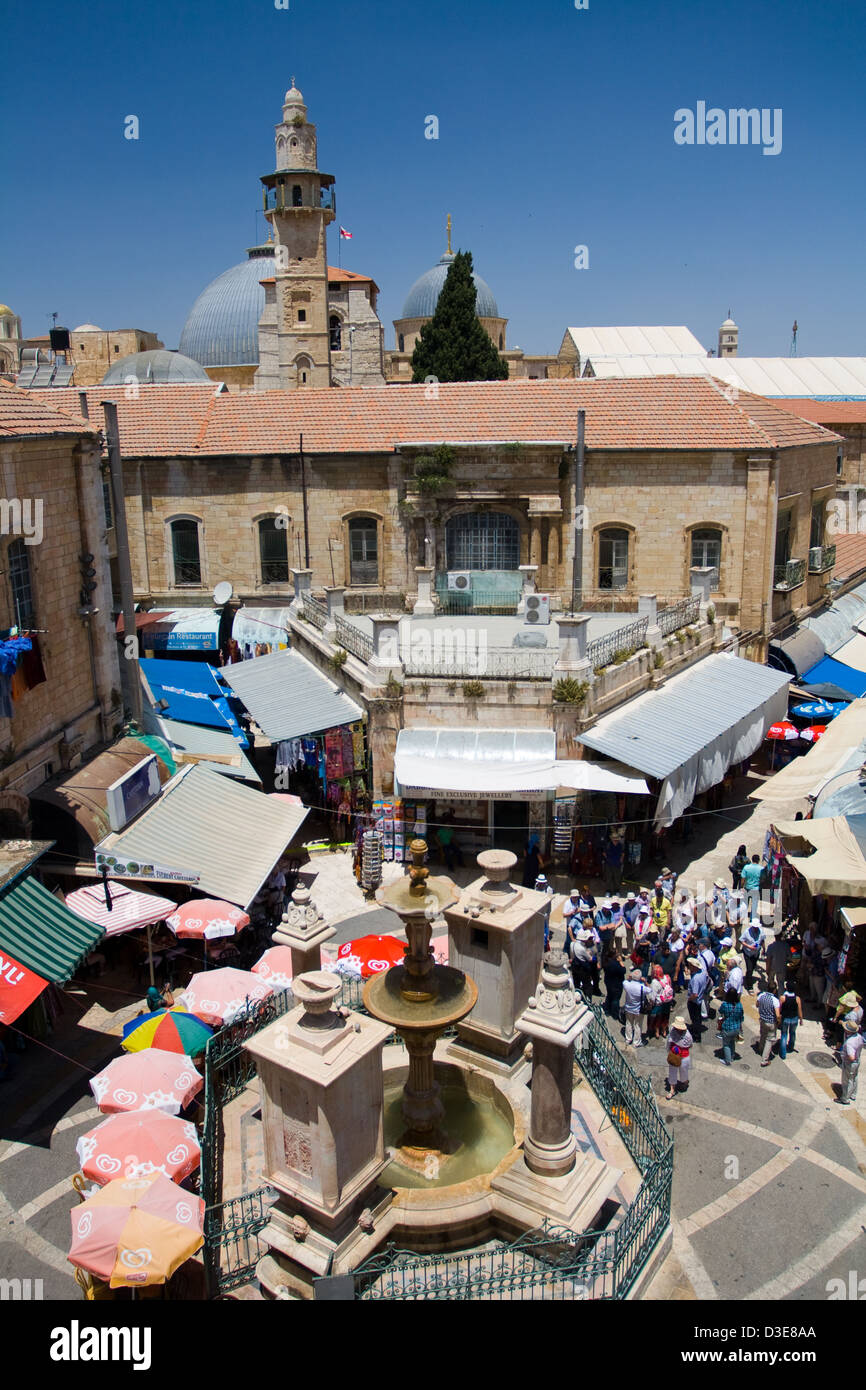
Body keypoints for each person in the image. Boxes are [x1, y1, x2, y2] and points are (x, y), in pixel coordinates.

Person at [837, 1020, 863, 1105]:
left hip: (850, 1063)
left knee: (847, 1081)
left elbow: (851, 1057)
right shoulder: (859, 1036)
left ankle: (845, 1099)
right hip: (857, 1061)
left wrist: (846, 1056)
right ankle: (853, 1094)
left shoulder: (849, 1043)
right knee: (854, 1077)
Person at [665, 1016, 693, 1096]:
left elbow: (690, 1045)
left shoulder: (688, 1035)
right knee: (672, 1072)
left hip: (684, 1057)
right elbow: (669, 1041)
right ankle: (672, 1090)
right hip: (674, 1055)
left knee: (683, 1072)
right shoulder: (672, 1030)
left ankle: (685, 1082)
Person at [717, 986, 744, 1066]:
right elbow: (741, 1017)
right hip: (736, 1028)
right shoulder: (739, 1005)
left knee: (726, 1044)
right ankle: (732, 1056)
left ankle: (727, 1060)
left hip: (727, 1028)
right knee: (732, 1042)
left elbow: (720, 1010)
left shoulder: (725, 1004)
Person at [622, 970, 649, 1047]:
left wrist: (628, 978)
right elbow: (650, 990)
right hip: (638, 1009)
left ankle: (628, 1039)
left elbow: (624, 982)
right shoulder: (642, 987)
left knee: (628, 1023)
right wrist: (646, 982)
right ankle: (636, 1042)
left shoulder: (627, 985)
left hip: (628, 1008)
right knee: (638, 1025)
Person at [756, 985, 781, 1066]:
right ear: (774, 990)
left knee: (763, 1035)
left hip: (762, 1020)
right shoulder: (775, 1000)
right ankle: (765, 1060)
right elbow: (777, 1015)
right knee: (769, 1040)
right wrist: (779, 1022)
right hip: (771, 1022)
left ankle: (760, 1049)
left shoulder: (761, 996)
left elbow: (757, 1005)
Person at [647, 961, 673, 1038]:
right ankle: (664, 1031)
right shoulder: (667, 977)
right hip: (667, 1002)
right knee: (665, 1018)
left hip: (658, 1003)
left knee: (656, 1018)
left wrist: (650, 1005)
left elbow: (652, 997)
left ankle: (656, 1031)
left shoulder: (655, 982)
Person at [686, 958, 709, 1042]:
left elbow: (695, 994)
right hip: (700, 999)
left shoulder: (695, 979)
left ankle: (696, 1036)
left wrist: (689, 999)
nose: (689, 967)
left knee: (695, 1019)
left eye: (690, 965)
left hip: (694, 1001)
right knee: (698, 1018)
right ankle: (696, 1030)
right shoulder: (702, 973)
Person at [778, 984, 803, 1059]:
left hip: (785, 1019)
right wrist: (801, 1019)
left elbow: (779, 1009)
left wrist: (778, 1019)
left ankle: (783, 1054)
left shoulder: (782, 998)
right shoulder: (797, 998)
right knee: (792, 1033)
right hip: (794, 1019)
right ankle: (791, 1047)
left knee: (784, 1035)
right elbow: (800, 1010)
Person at [569, 928, 596, 997]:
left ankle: (576, 997)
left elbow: (572, 956)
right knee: (587, 985)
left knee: (576, 984)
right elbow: (590, 959)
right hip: (583, 968)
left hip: (574, 967)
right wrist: (594, 956)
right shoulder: (582, 948)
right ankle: (588, 1000)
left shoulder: (572, 944)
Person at [739, 919, 764, 993]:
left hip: (756, 953)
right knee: (749, 968)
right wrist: (749, 947)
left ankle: (748, 977)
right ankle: (749, 986)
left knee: (753, 967)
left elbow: (762, 940)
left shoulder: (761, 931)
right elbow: (741, 940)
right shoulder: (747, 932)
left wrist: (764, 949)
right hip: (748, 953)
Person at [603, 949, 627, 1023]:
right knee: (615, 999)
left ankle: (607, 1009)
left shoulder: (606, 961)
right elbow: (623, 970)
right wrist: (620, 961)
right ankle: (614, 1013)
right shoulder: (615, 964)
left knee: (609, 996)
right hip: (616, 984)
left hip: (608, 982)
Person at [740, 854, 764, 918]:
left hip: (747, 888)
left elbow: (743, 879)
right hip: (756, 889)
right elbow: (763, 879)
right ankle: (752, 919)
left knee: (745, 903)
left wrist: (741, 887)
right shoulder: (761, 869)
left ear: (752, 859)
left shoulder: (746, 867)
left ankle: (743, 916)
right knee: (754, 904)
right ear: (758, 860)